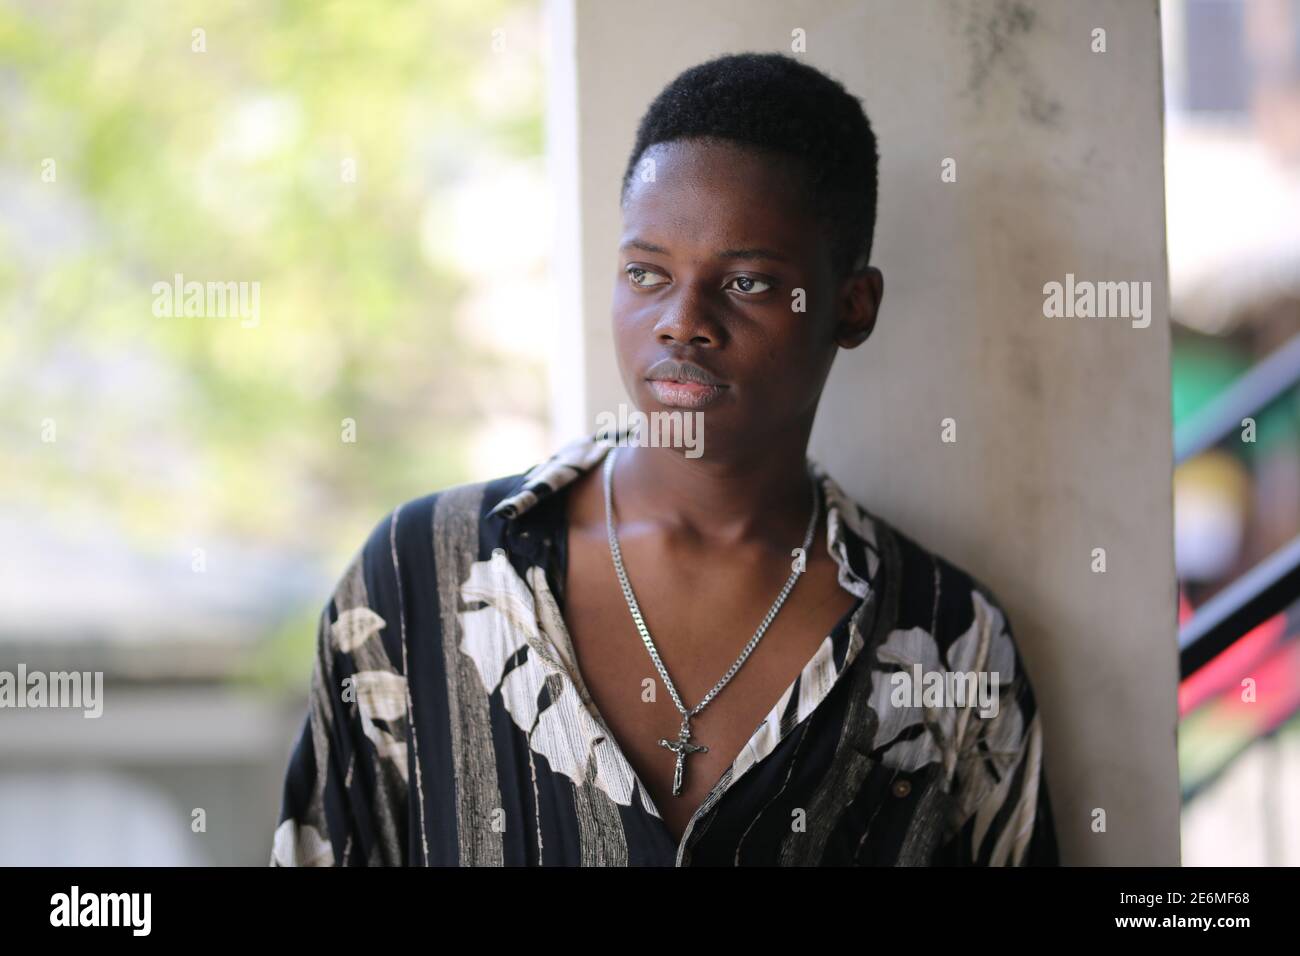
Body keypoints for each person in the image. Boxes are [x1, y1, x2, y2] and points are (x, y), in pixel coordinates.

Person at [270, 51, 1059, 866]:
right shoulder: (420, 576)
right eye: (646, 272)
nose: (683, 321)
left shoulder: (951, 639)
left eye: (748, 282)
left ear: (852, 306)